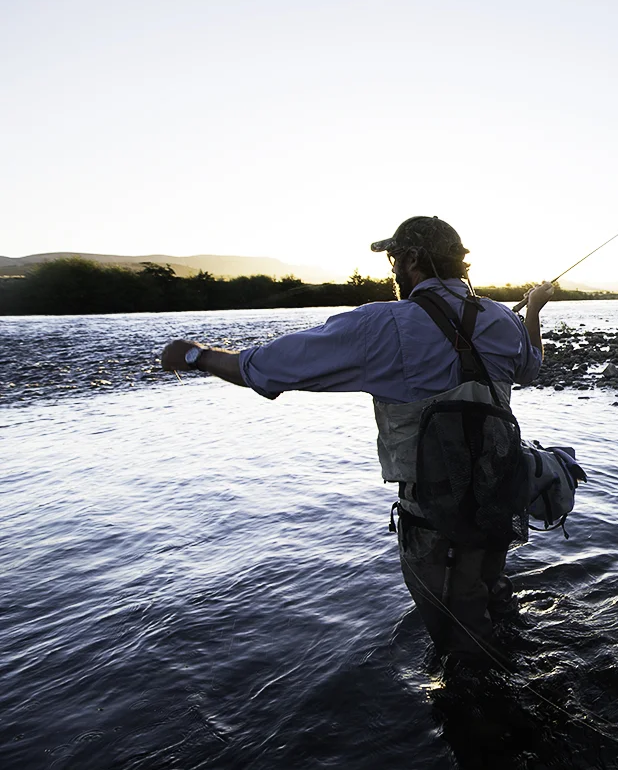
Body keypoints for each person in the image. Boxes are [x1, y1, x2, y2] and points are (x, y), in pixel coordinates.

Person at [160, 216, 553, 665]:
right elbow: (530, 367)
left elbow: (265, 368)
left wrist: (196, 355)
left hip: (434, 518)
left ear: (412, 260)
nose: (393, 269)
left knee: (460, 641)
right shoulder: (500, 318)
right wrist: (533, 312)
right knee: (489, 592)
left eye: (394, 259)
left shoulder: (377, 324)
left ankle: (486, 693)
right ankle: (522, 662)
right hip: (498, 498)